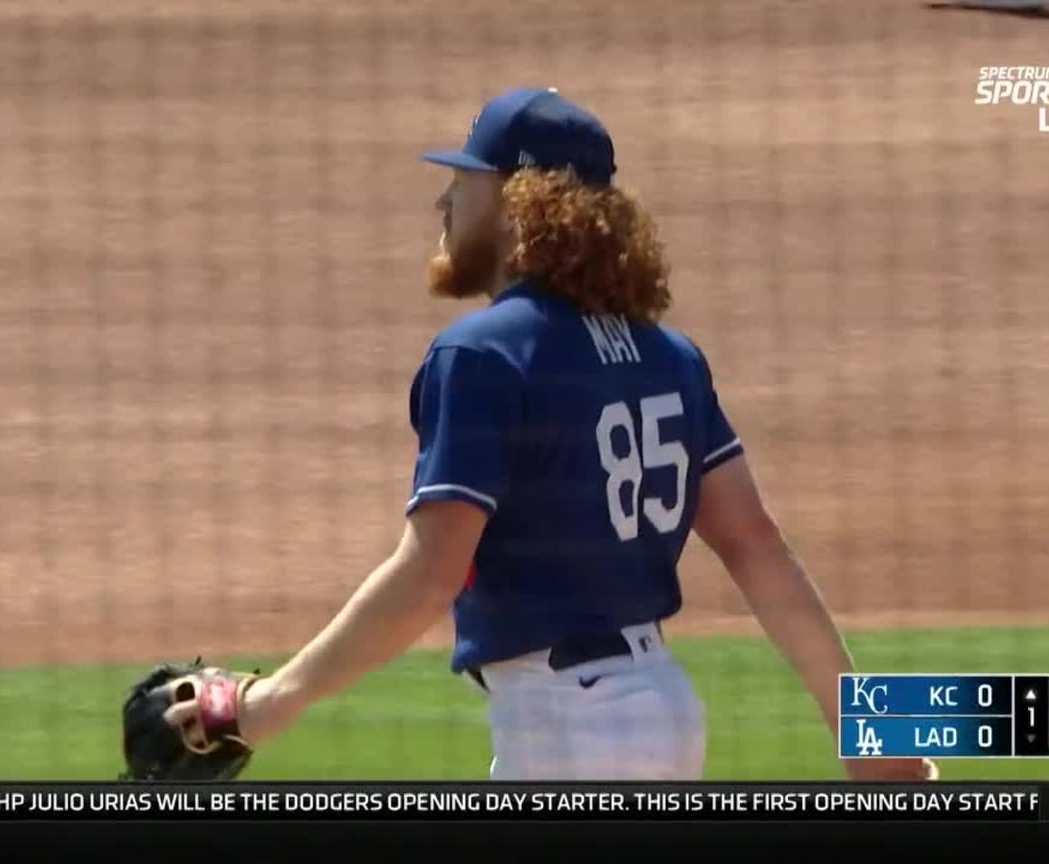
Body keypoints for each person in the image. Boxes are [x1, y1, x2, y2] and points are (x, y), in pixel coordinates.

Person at [224, 86, 934, 782]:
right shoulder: (668, 357)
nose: (444, 201)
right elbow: (756, 546)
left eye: (465, 181)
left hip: (567, 730)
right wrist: (866, 729)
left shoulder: (483, 354)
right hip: (660, 711)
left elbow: (430, 575)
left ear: (518, 203)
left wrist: (267, 703)